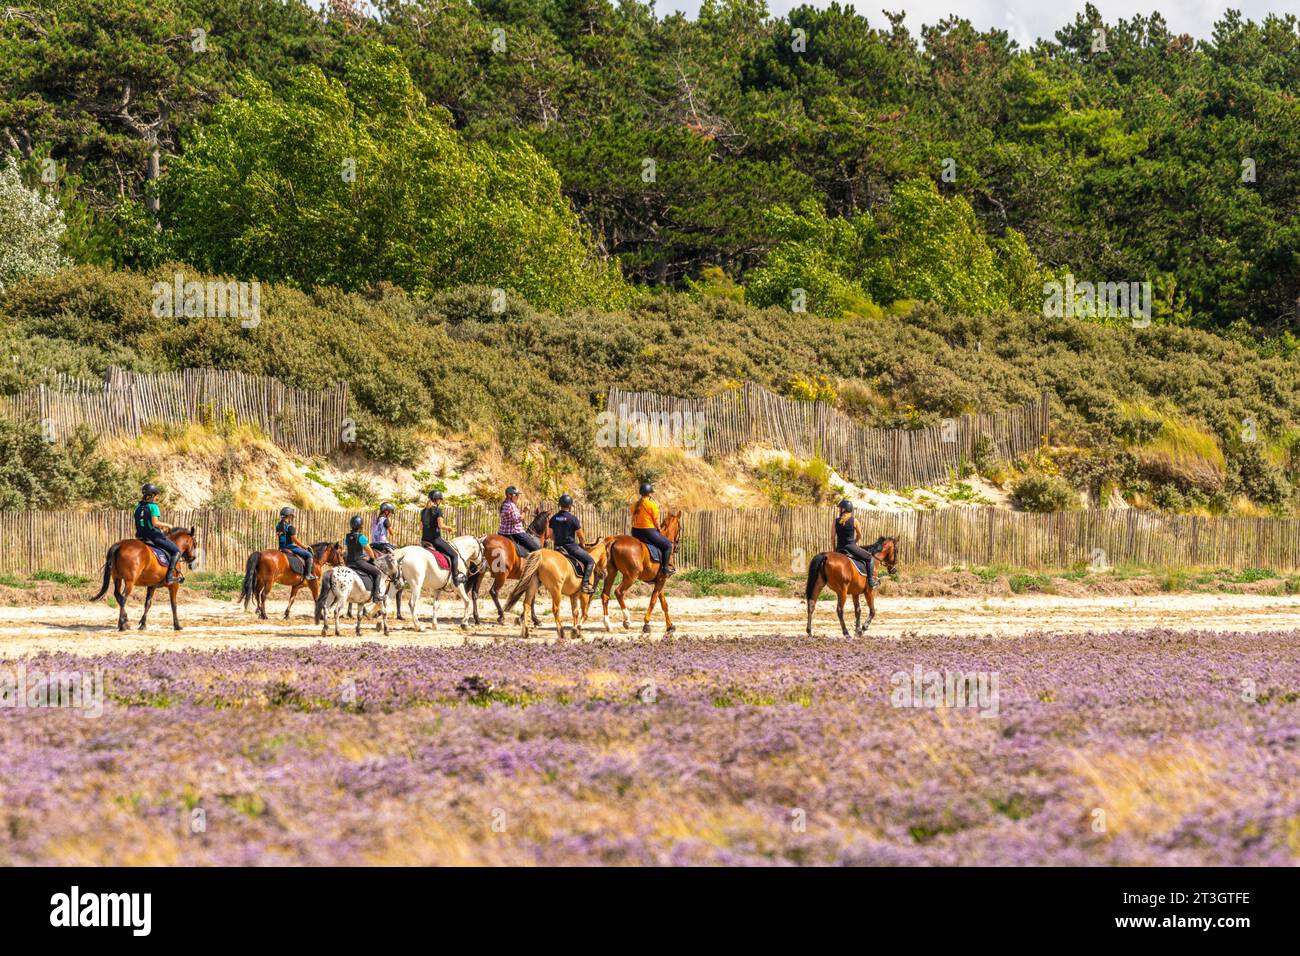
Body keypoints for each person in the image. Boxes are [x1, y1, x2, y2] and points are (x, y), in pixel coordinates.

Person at [133, 483, 184, 584]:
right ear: (152, 495)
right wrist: (168, 525)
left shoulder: (138, 506)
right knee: (176, 551)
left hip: (140, 536)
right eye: (156, 495)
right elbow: (155, 523)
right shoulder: (153, 506)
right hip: (153, 536)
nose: (156, 497)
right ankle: (169, 577)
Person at [546, 493, 595, 594]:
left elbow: (550, 534)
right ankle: (585, 585)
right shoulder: (573, 519)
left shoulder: (553, 518)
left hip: (558, 547)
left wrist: (557, 540)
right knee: (590, 561)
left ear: (560, 505)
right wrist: (582, 544)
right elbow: (581, 536)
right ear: (570, 505)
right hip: (571, 548)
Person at [630, 481, 675, 577]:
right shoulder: (651, 505)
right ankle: (665, 569)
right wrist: (658, 529)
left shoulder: (634, 505)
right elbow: (656, 521)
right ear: (649, 493)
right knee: (667, 545)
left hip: (635, 531)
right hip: (648, 531)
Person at [420, 490, 465, 586]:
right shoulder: (438, 510)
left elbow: (421, 527)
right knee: (454, 555)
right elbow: (440, 525)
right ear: (437, 500)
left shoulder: (423, 511)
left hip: (424, 540)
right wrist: (448, 528)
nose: (440, 501)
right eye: (440, 499)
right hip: (435, 540)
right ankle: (455, 579)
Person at [833, 499, 878, 588]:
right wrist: (855, 542)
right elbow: (859, 535)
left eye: (840, 508)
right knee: (869, 558)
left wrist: (834, 550)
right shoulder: (854, 521)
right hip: (850, 546)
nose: (839, 510)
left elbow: (832, 537)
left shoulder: (835, 521)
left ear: (844, 509)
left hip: (839, 548)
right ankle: (870, 580)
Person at [344, 515, 384, 604]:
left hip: (349, 562)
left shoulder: (347, 537)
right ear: (361, 526)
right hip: (358, 562)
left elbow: (347, 550)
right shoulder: (361, 537)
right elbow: (370, 552)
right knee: (377, 573)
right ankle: (375, 596)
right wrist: (371, 559)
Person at [276, 506, 317, 581]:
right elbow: (294, 539)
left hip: (281, 547)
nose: (292, 518)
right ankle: (307, 575)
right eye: (291, 516)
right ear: (289, 516)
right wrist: (304, 546)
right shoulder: (289, 527)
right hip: (289, 546)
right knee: (309, 555)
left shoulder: (278, 525)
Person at [498, 485, 540, 555]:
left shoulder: (505, 504)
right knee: (537, 549)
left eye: (518, 495)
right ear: (509, 495)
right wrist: (525, 511)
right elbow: (517, 520)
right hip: (515, 532)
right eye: (516, 495)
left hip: (503, 532)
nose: (518, 496)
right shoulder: (511, 505)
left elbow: (512, 517)